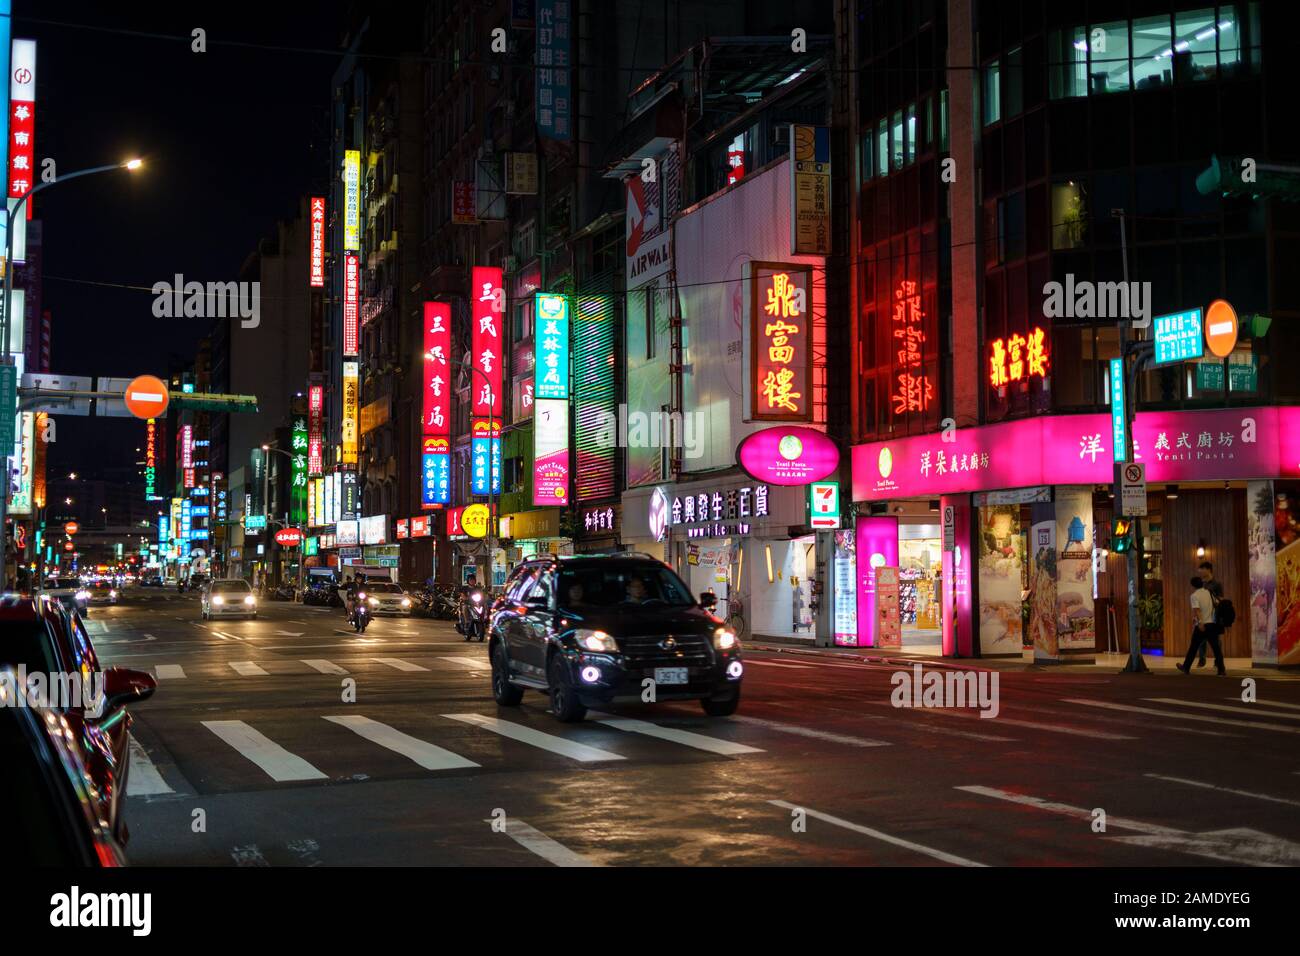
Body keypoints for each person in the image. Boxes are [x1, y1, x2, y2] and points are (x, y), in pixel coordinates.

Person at [1177, 576, 1225, 676]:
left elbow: (1197, 610)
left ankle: (1186, 667)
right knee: (1216, 649)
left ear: (1193, 585)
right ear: (1202, 583)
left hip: (1202, 625)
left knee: (1193, 647)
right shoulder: (1209, 593)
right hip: (1212, 624)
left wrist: (1200, 622)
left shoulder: (1194, 595)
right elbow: (1217, 603)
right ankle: (1221, 670)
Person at [1195, 560, 1224, 668]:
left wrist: (1212, 603)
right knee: (1200, 638)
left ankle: (1218, 660)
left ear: (1208, 570)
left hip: (1213, 615)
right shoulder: (1201, 584)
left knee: (1215, 640)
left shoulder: (1217, 584)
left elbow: (1221, 598)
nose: (1200, 571)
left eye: (1202, 569)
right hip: (1202, 614)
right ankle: (1202, 659)